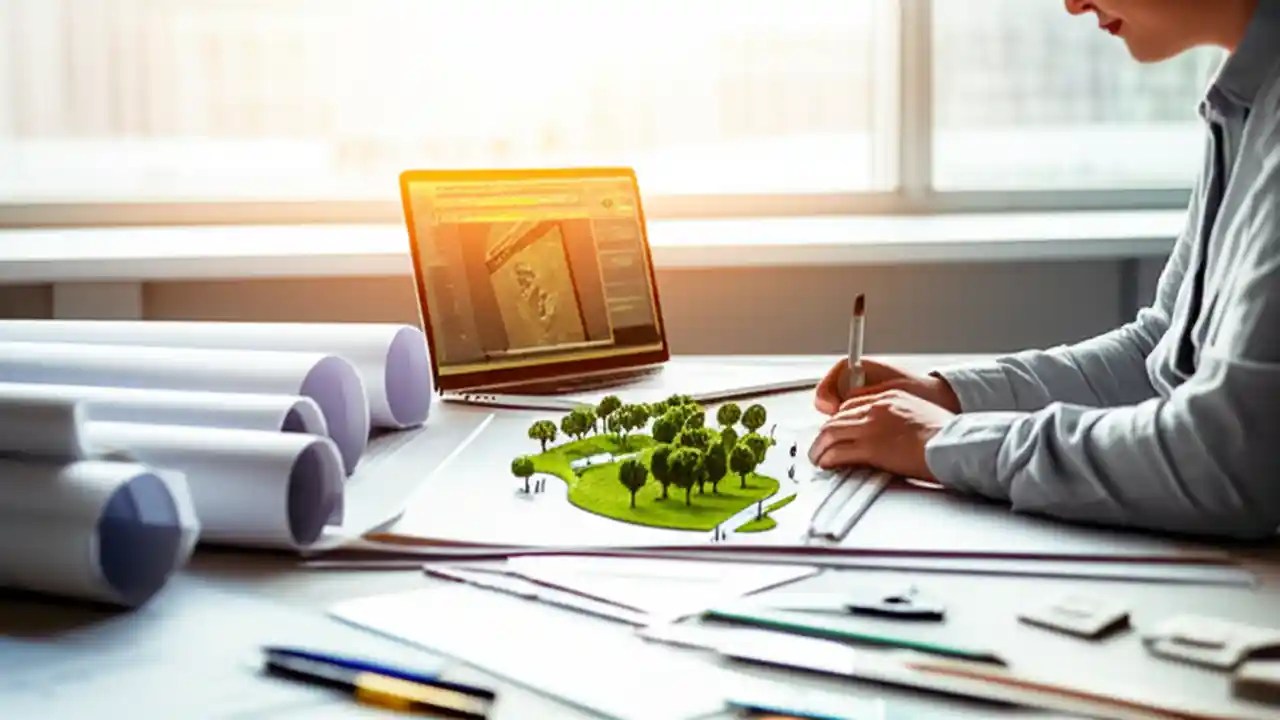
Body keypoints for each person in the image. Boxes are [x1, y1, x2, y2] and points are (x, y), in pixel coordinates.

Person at [810, 0, 1280, 541]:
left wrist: (945, 441)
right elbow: (1160, 354)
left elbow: (1224, 461)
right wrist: (948, 397)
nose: (1072, 4)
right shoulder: (1246, 97)